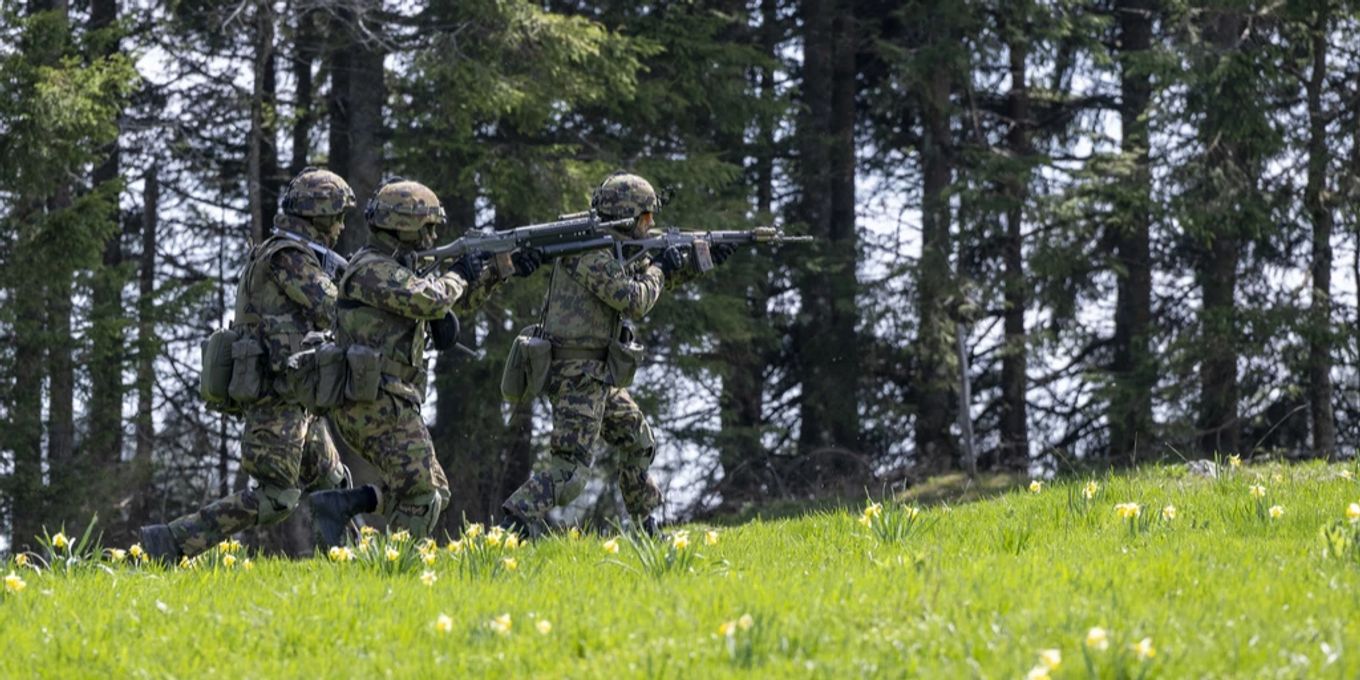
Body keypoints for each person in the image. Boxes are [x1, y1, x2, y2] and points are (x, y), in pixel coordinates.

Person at [498, 172, 734, 537]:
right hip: (576, 374)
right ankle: (512, 522)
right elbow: (635, 299)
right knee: (571, 472)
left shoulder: (612, 249)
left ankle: (646, 527)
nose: (651, 223)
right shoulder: (587, 253)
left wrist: (697, 262)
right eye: (645, 216)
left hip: (597, 373)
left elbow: (650, 281)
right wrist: (662, 267)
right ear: (626, 216)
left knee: (637, 441)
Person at [139, 168, 356, 561]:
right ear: (317, 216)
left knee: (333, 485)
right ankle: (171, 542)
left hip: (296, 395)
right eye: (336, 216)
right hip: (276, 395)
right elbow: (334, 307)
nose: (341, 226)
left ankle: (353, 563)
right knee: (276, 497)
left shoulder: (290, 253)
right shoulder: (288, 257)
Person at [308, 179, 540, 545]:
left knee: (436, 491)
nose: (433, 236)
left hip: (387, 398)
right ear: (404, 224)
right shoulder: (371, 268)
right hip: (372, 400)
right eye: (427, 226)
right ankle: (392, 568)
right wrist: (460, 273)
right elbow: (432, 299)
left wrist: (501, 268)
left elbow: (451, 304)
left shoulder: (398, 266)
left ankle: (347, 503)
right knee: (422, 494)